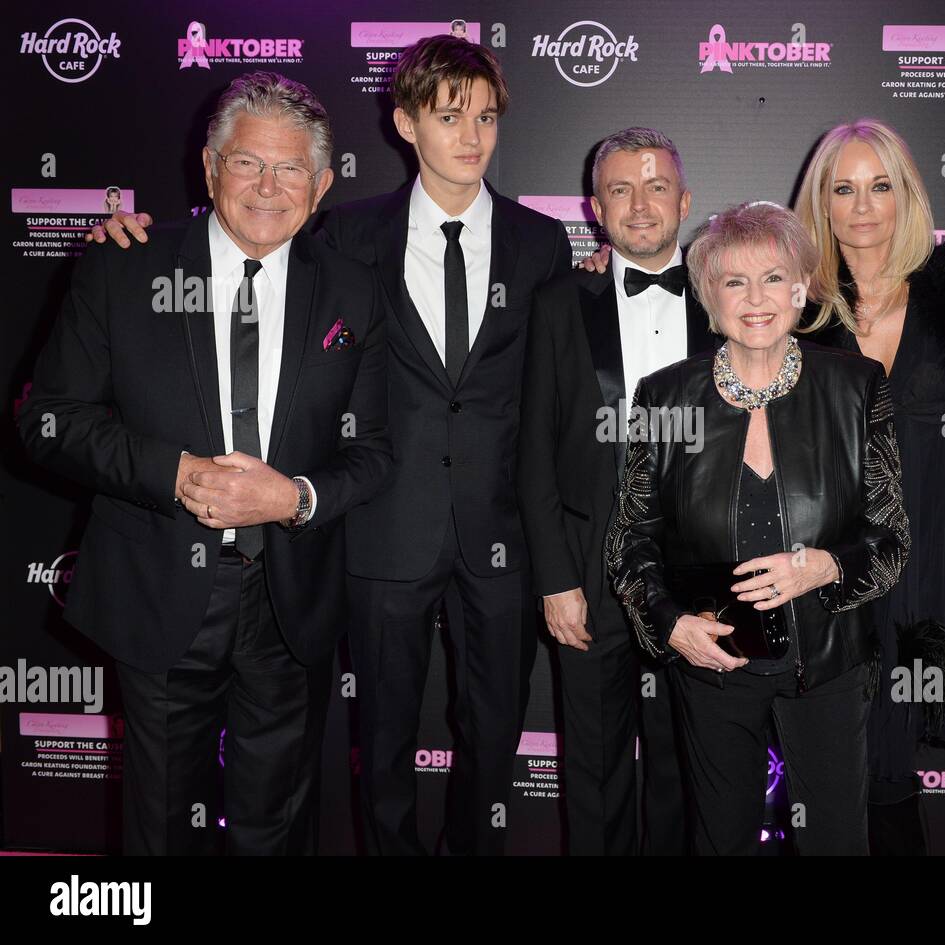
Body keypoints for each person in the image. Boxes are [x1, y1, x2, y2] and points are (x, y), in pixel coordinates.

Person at [89, 36, 570, 856]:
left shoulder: (543, 242)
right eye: (449, 115)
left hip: (498, 538)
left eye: (485, 117)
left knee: (492, 740)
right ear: (405, 121)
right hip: (377, 534)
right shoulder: (343, 233)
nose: (471, 135)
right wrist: (126, 240)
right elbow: (241, 256)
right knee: (377, 746)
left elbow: (556, 393)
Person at [20, 71, 392, 855]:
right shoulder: (125, 266)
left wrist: (294, 497)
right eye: (248, 162)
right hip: (157, 587)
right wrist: (175, 474)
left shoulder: (355, 293)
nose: (268, 186)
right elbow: (48, 422)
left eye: (291, 169)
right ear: (210, 166)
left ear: (322, 184)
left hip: (291, 601)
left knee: (279, 828)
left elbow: (376, 452)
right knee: (160, 828)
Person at [605, 201, 910, 855]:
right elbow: (631, 539)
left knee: (835, 842)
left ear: (801, 288)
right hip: (712, 663)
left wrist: (824, 566)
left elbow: (890, 539)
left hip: (826, 663)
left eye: (773, 277)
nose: (755, 299)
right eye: (733, 281)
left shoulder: (856, 389)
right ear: (708, 296)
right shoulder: (665, 397)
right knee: (720, 842)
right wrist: (670, 624)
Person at [794, 119, 945, 855]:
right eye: (843, 187)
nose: (862, 205)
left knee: (893, 762)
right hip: (830, 576)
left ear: (906, 195)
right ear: (820, 200)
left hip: (927, 576)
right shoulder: (789, 306)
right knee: (838, 773)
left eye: (880, 185)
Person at [519, 127, 706, 855]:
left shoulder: (730, 296)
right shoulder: (558, 302)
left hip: (698, 574)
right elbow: (533, 451)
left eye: (656, 186)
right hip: (589, 574)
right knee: (593, 775)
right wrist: (556, 577)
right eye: (620, 189)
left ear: (685, 200)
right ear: (594, 207)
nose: (639, 204)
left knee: (688, 770)